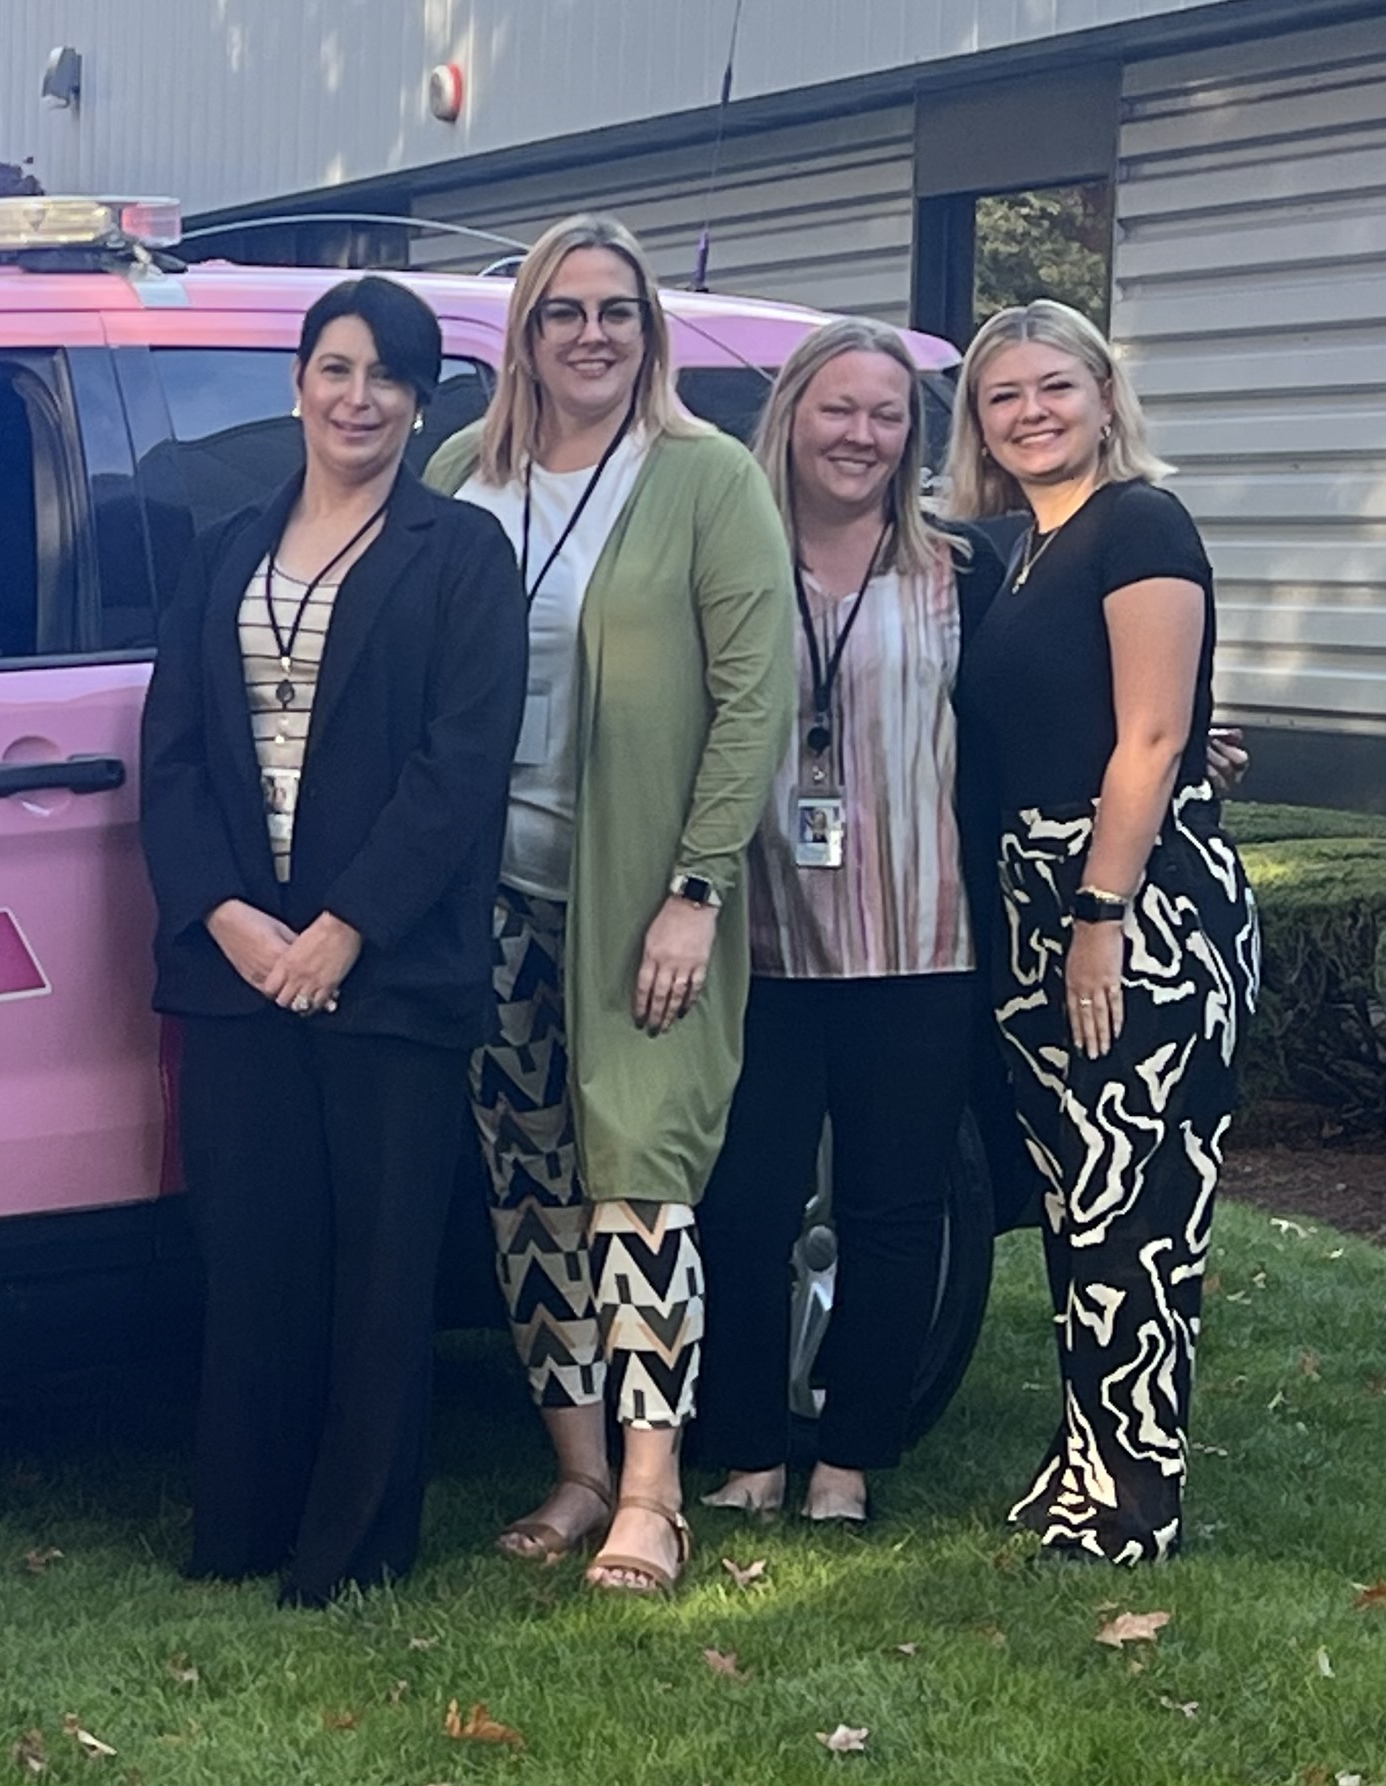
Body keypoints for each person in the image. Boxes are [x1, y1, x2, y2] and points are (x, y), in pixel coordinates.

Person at [422, 214, 793, 1596]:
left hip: (641, 894)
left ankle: (652, 1489)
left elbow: (754, 700)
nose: (589, 334)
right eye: (561, 311)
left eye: (616, 313)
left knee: (635, 1187)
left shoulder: (701, 479)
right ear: (519, 334)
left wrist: (694, 888)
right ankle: (574, 1471)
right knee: (528, 1194)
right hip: (488, 897)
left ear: (647, 333)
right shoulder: (462, 474)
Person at [143, 276, 527, 1607]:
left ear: (420, 402)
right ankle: (241, 1525)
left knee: (377, 1270)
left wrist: (343, 928)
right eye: (333, 367)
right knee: (252, 1255)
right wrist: (236, 922)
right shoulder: (222, 550)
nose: (355, 396)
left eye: (385, 375)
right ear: (296, 381)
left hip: (390, 969)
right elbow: (174, 756)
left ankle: (351, 1542)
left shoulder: (459, 554)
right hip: (236, 968)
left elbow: (458, 765)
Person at [950, 298, 1257, 1564]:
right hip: (1031, 904)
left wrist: (1098, 913)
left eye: (1053, 387)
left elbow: (1153, 735)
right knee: (1079, 1201)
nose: (1030, 412)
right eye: (1003, 395)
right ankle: (1086, 1467)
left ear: (1104, 395)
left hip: (1139, 908)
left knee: (1140, 1200)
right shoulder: (1015, 546)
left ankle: (1137, 1502)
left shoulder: (1140, 524)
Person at [692, 320, 1008, 1525]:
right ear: (789, 418)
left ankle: (849, 1460)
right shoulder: (730, 558)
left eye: (887, 415)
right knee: (749, 1203)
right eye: (839, 409)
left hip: (922, 939)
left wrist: (1190, 742)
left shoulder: (960, 570)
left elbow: (1055, 704)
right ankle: (751, 1453)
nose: (862, 435)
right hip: (758, 939)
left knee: (893, 1208)